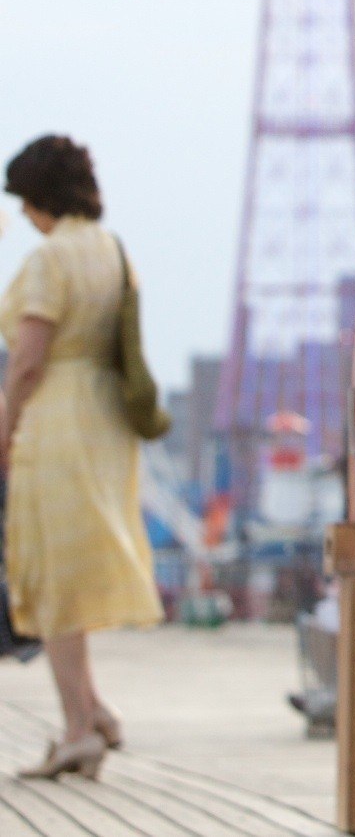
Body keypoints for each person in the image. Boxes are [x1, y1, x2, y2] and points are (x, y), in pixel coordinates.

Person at [1, 136, 164, 779]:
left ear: (41, 197)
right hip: (107, 425)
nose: (23, 216)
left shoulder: (52, 258)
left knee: (53, 575)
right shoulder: (112, 251)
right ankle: (93, 711)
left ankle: (76, 729)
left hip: (56, 421)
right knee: (76, 565)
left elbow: (28, 361)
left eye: (23, 202)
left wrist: (5, 431)